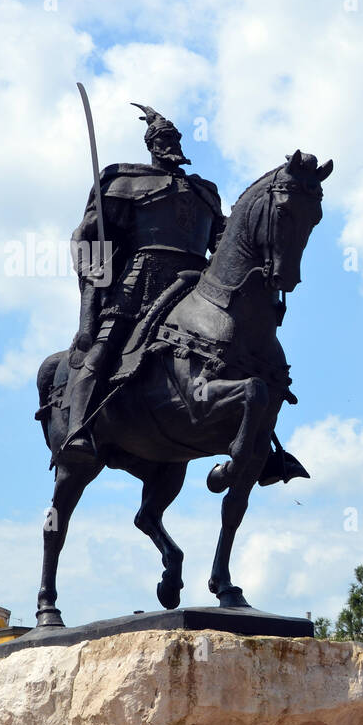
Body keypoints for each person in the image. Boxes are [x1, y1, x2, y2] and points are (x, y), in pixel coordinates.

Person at [59, 103, 225, 463]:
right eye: (164, 138)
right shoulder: (125, 183)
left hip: (198, 285)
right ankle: (77, 429)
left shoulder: (206, 193)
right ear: (151, 144)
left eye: (175, 137)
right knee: (104, 348)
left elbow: (220, 242)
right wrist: (91, 297)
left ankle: (265, 443)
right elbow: (90, 239)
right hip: (143, 281)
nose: (171, 143)